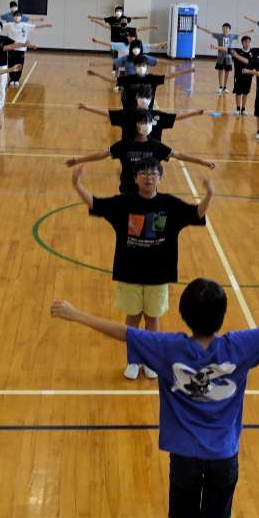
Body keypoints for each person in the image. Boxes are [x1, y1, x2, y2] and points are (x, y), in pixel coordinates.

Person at [51, 280, 259, 518]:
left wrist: (77, 314)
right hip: (224, 455)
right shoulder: (240, 346)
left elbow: (124, 332)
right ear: (222, 317)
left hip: (184, 457)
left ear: (183, 314)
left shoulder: (167, 348)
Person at [69, 162, 215, 379]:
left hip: (159, 274)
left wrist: (209, 194)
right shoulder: (124, 202)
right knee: (132, 318)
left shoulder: (169, 204)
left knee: (153, 318)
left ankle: (151, 360)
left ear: (160, 179)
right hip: (130, 272)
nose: (149, 177)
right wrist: (76, 184)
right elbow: (96, 204)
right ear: (135, 178)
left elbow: (196, 214)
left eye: (153, 173)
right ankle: (133, 361)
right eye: (144, 173)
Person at [64, 112, 216, 195]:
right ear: (134, 125)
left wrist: (202, 161)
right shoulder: (124, 145)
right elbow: (102, 154)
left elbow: (180, 155)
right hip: (127, 190)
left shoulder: (156, 146)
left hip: (149, 192)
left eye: (148, 122)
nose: (146, 125)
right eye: (142, 122)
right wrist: (78, 160)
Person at [77, 90, 204, 143]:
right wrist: (88, 108)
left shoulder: (157, 115)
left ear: (150, 100)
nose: (144, 100)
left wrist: (195, 113)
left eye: (147, 98)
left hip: (151, 153)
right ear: (137, 99)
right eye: (141, 97)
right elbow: (107, 113)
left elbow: (176, 118)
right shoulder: (127, 114)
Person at [198, 22, 249, 94]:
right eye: (224, 28)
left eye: (227, 28)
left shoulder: (232, 36)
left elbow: (240, 34)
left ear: (229, 29)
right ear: (222, 29)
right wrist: (200, 27)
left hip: (228, 58)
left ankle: (225, 87)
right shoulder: (219, 36)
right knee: (220, 72)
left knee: (227, 73)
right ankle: (220, 87)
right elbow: (210, 32)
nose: (225, 29)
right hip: (220, 57)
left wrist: (249, 31)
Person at [4, 10, 51, 85]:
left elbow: (36, 27)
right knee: (11, 63)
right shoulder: (9, 25)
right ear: (13, 17)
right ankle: (12, 78)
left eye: (19, 15)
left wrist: (46, 25)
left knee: (20, 64)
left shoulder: (25, 25)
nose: (17, 17)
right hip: (11, 48)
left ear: (21, 17)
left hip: (21, 49)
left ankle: (17, 79)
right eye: (16, 15)